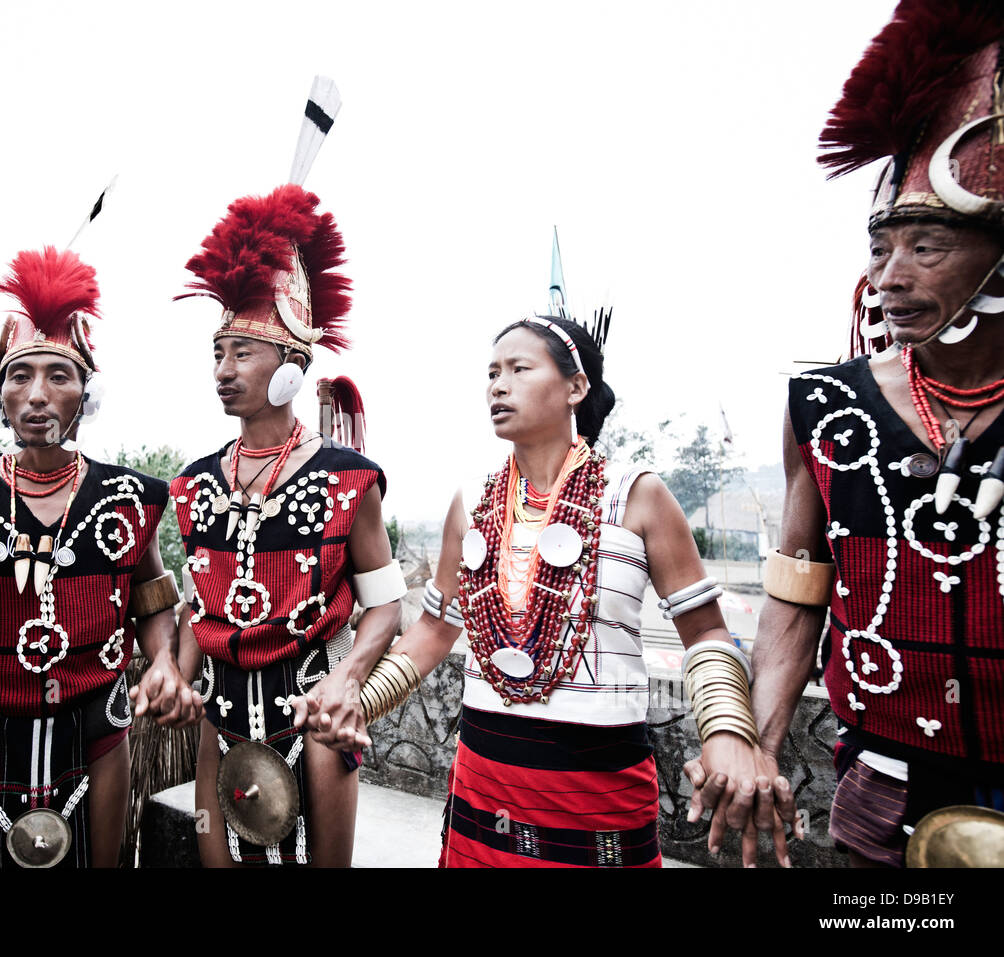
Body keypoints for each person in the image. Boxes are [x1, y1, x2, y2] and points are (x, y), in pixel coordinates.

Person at [378, 238, 783, 867]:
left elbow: (705, 633)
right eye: (491, 372)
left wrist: (728, 732)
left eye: (519, 369)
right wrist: (359, 696)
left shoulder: (638, 497)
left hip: (597, 790)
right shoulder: (473, 501)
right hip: (486, 774)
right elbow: (433, 628)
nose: (498, 385)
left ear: (575, 388)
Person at [749, 0, 1004, 868]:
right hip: (882, 795)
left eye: (927, 244)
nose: (889, 276)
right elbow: (795, 595)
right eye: (878, 245)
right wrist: (756, 741)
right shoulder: (824, 406)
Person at [0, 246, 199, 867]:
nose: (37, 393)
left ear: (85, 394)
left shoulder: (132, 498)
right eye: (20, 375)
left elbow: (153, 602)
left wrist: (164, 660)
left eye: (58, 376)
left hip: (98, 737)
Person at [171, 79, 405, 866]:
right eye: (217, 351)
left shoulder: (348, 479)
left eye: (242, 351)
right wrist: (174, 676)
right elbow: (196, 610)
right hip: (217, 730)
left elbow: (386, 608)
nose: (223, 368)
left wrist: (352, 679)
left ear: (292, 363)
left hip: (313, 726)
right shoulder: (194, 480)